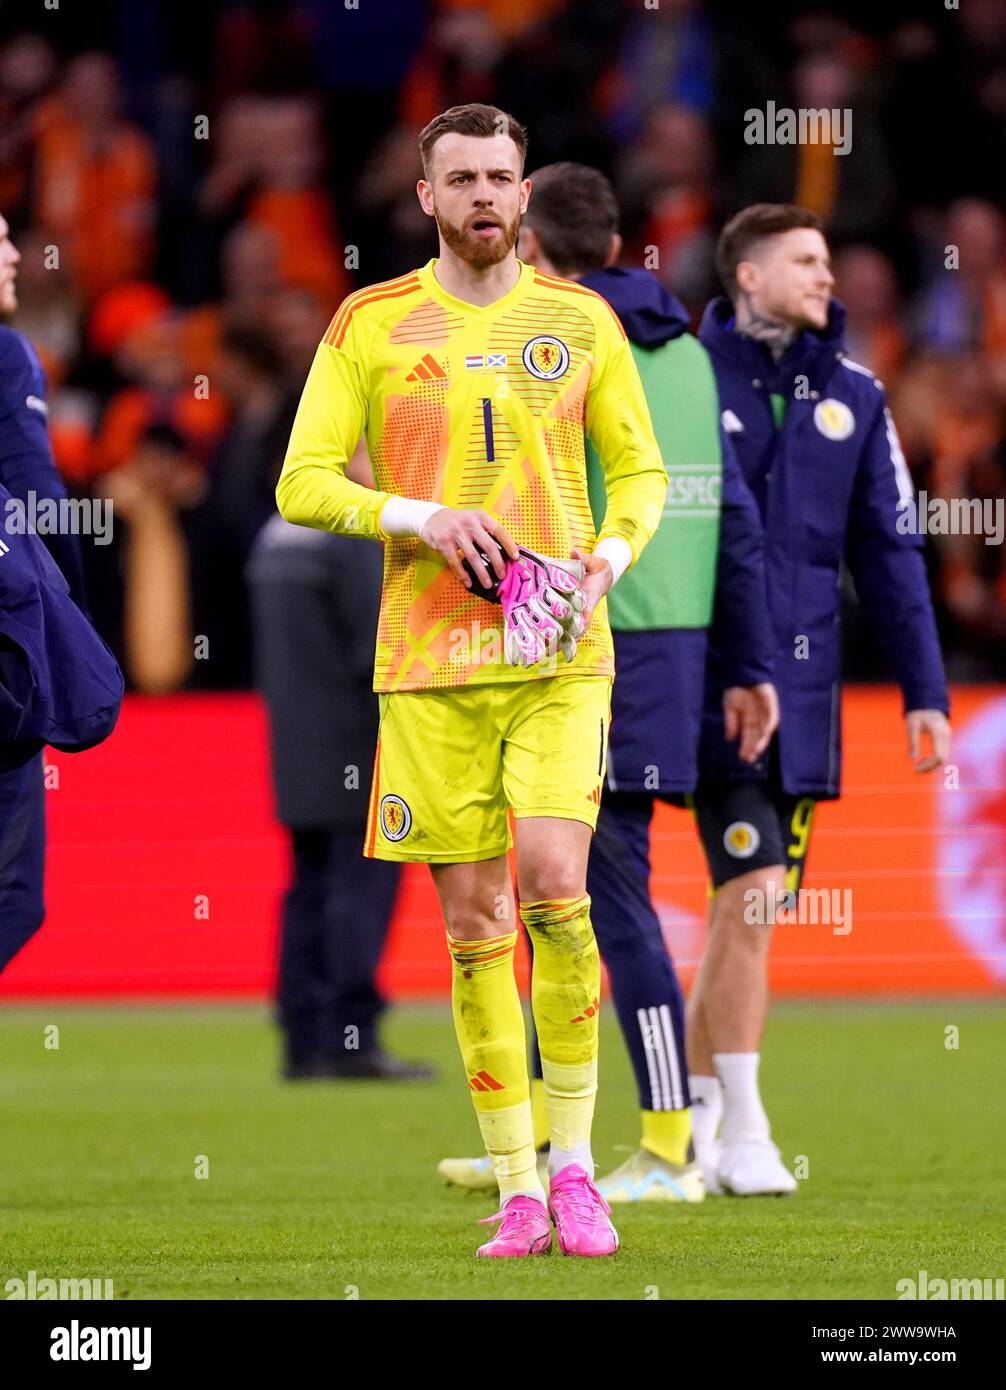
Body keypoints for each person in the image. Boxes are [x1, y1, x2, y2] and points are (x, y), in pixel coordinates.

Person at [277, 104, 667, 1258]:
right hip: (429, 662)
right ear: (427, 198)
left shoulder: (579, 321)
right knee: (476, 920)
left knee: (554, 883)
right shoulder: (372, 320)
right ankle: (515, 1188)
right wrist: (419, 514)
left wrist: (608, 557)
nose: (488, 196)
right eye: (465, 179)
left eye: (504, 176)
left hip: (556, 652)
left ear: (523, 195)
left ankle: (579, 1168)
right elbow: (302, 482)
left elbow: (640, 470)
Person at [438, 162, 777, 1203]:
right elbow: (733, 518)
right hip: (669, 648)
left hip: (583, 650)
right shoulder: (689, 354)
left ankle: (671, 1138)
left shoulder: (562, 344)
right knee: (561, 889)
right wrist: (747, 661)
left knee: (601, 893)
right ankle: (547, 1136)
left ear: (531, 243)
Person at [689, 204, 951, 1194]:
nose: (824, 273)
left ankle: (698, 1120)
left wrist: (923, 691)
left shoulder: (854, 396)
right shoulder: (682, 382)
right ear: (746, 277)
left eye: (827, 257)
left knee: (741, 901)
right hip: (697, 682)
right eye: (803, 258)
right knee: (748, 894)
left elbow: (892, 552)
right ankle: (746, 1130)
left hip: (798, 693)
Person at [248, 444, 433, 1082]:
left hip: (295, 749)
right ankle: (351, 1039)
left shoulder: (278, 533)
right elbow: (379, 648)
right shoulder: (352, 534)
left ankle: (303, 1039)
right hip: (360, 746)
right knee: (361, 892)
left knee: (309, 889)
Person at [0, 210, 94, 971]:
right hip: (7, 654)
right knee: (12, 894)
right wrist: (69, 625)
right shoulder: (6, 356)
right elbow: (38, 499)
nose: (13, 254)